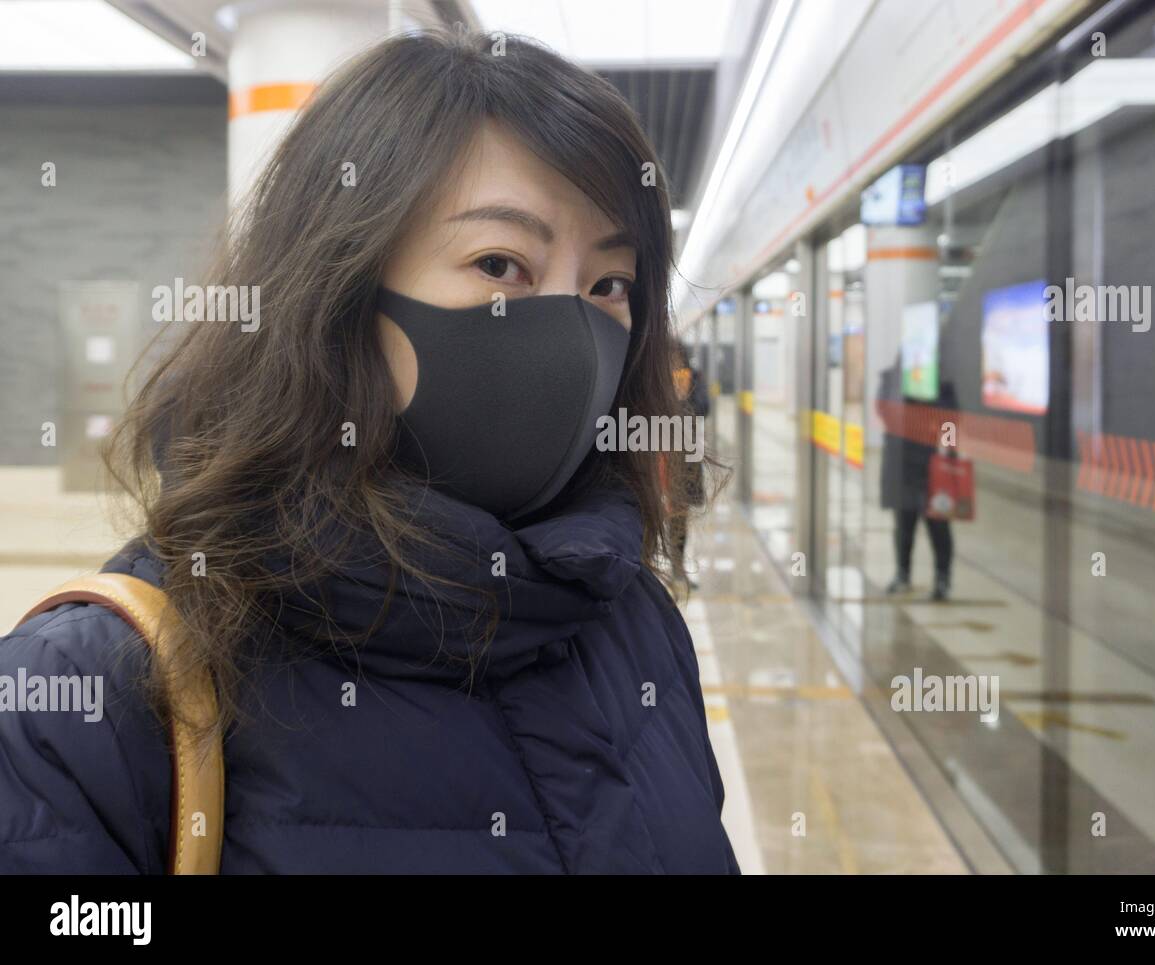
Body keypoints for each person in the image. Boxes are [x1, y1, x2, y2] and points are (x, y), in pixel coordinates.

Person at [0, 29, 739, 874]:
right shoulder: (89, 701)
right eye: (500, 263)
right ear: (338, 292)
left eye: (610, 283)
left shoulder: (634, 624)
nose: (573, 332)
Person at [875, 361, 957, 601]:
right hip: (901, 459)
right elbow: (883, 411)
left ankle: (942, 579)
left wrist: (949, 451)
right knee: (904, 522)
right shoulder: (893, 378)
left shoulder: (939, 381)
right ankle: (903, 573)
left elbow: (950, 419)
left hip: (930, 461)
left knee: (938, 523)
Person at [667, 340, 710, 589]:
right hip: (655, 454)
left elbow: (704, 408)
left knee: (679, 517)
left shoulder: (694, 378)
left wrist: (684, 397)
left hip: (686, 457)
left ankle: (677, 568)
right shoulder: (652, 377)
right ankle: (648, 572)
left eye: (676, 358)